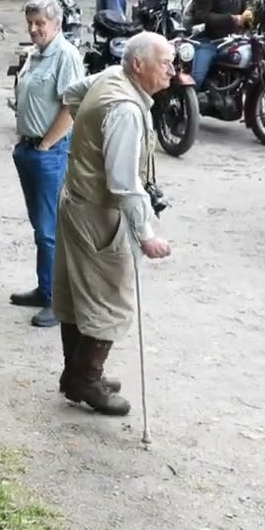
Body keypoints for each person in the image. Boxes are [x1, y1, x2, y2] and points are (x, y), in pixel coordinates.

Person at [53, 31, 174, 416]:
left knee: (77, 292)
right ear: (139, 65)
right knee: (110, 300)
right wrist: (148, 234)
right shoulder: (124, 109)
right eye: (166, 62)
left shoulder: (109, 77)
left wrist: (87, 139)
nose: (173, 70)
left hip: (76, 199)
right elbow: (124, 183)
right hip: (98, 213)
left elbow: (72, 94)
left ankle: (76, 373)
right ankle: (86, 378)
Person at [8, 0, 86, 329]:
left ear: (56, 24)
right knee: (41, 227)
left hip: (47, 153)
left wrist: (45, 144)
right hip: (30, 149)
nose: (35, 28)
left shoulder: (65, 55)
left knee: (50, 230)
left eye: (41, 22)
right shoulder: (37, 54)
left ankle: (58, 300)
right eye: (31, 22)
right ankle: (44, 288)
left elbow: (71, 106)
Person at [186, 0, 252, 88]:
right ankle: (190, 103)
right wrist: (232, 19)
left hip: (232, 39)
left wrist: (248, 17)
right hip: (208, 40)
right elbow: (202, 16)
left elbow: (242, 12)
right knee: (196, 78)